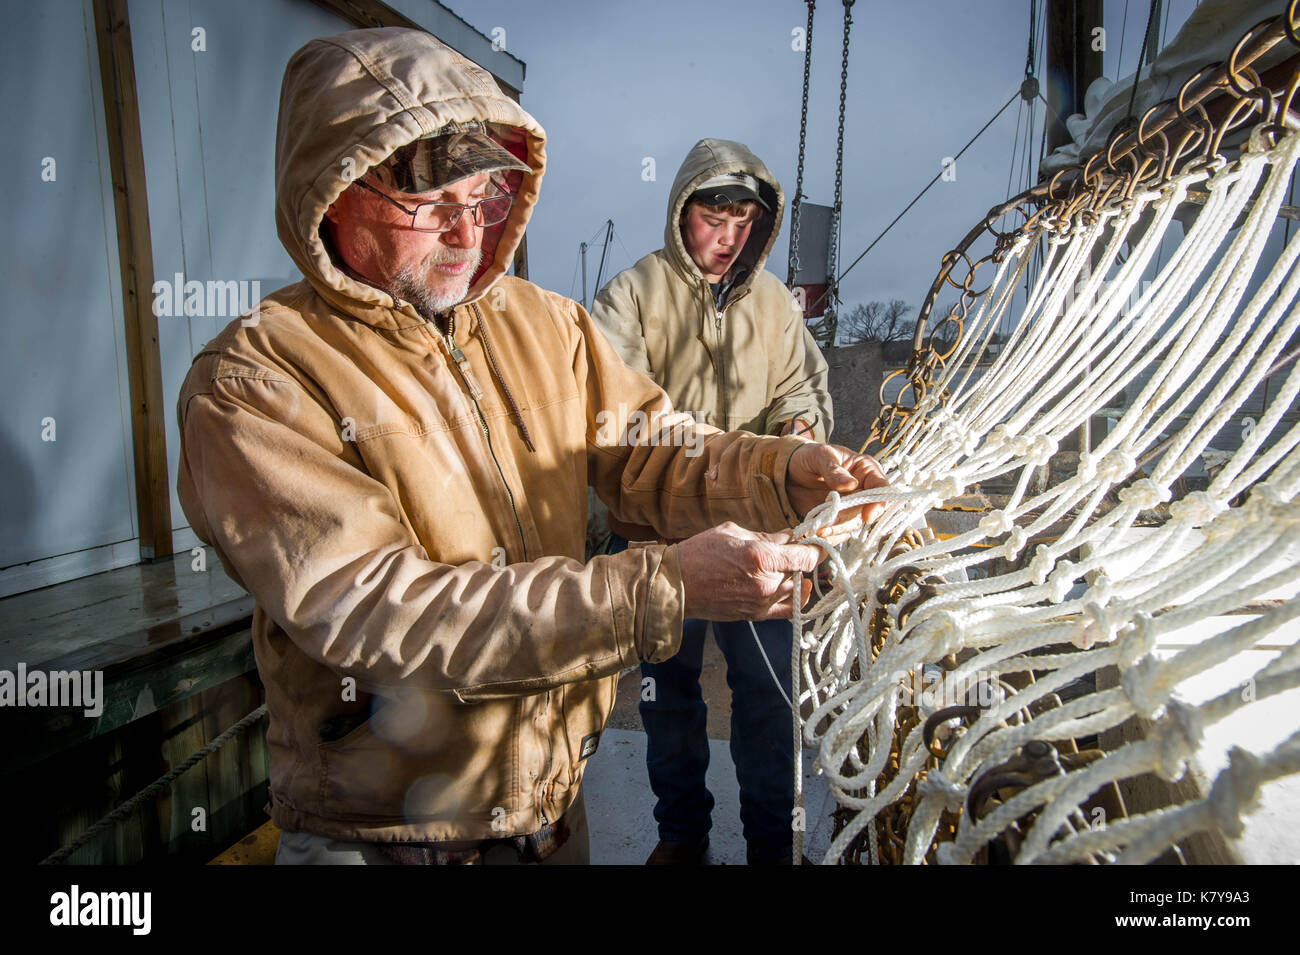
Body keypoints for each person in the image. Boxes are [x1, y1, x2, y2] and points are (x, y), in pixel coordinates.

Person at [175, 27, 883, 865]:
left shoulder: (546, 326)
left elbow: (651, 450)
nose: (468, 234)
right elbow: (385, 609)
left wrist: (783, 471)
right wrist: (656, 587)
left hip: (553, 820)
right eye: (433, 205)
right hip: (384, 839)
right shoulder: (257, 379)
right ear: (332, 189)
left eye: (485, 201)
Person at [591, 140, 835, 865]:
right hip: (656, 536)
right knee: (667, 693)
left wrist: (802, 428)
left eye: (743, 222)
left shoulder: (774, 303)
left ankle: (768, 844)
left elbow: (801, 385)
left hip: (758, 535)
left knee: (768, 691)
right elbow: (618, 417)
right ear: (679, 211)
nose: (727, 237)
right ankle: (681, 833)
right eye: (712, 217)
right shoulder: (631, 294)